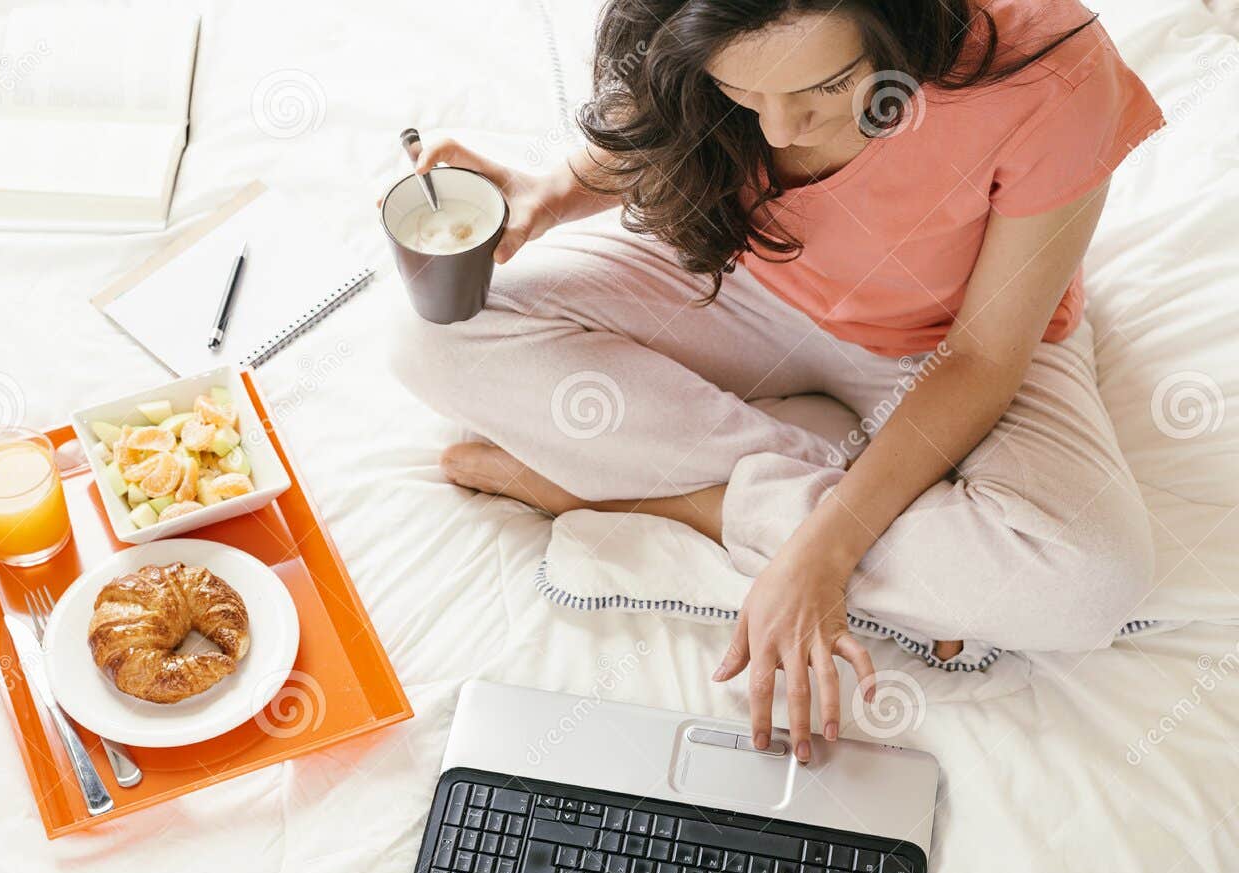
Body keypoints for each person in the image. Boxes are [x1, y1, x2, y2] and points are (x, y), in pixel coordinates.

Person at [394, 0, 1165, 763]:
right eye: (744, 93)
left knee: (1091, 582)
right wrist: (553, 194)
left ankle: (672, 499)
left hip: (953, 342)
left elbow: (984, 359)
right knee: (429, 337)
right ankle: (875, 544)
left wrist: (823, 553)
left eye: (821, 88)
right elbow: (664, 121)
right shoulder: (709, 45)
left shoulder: (1052, 67)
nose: (775, 133)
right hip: (750, 279)